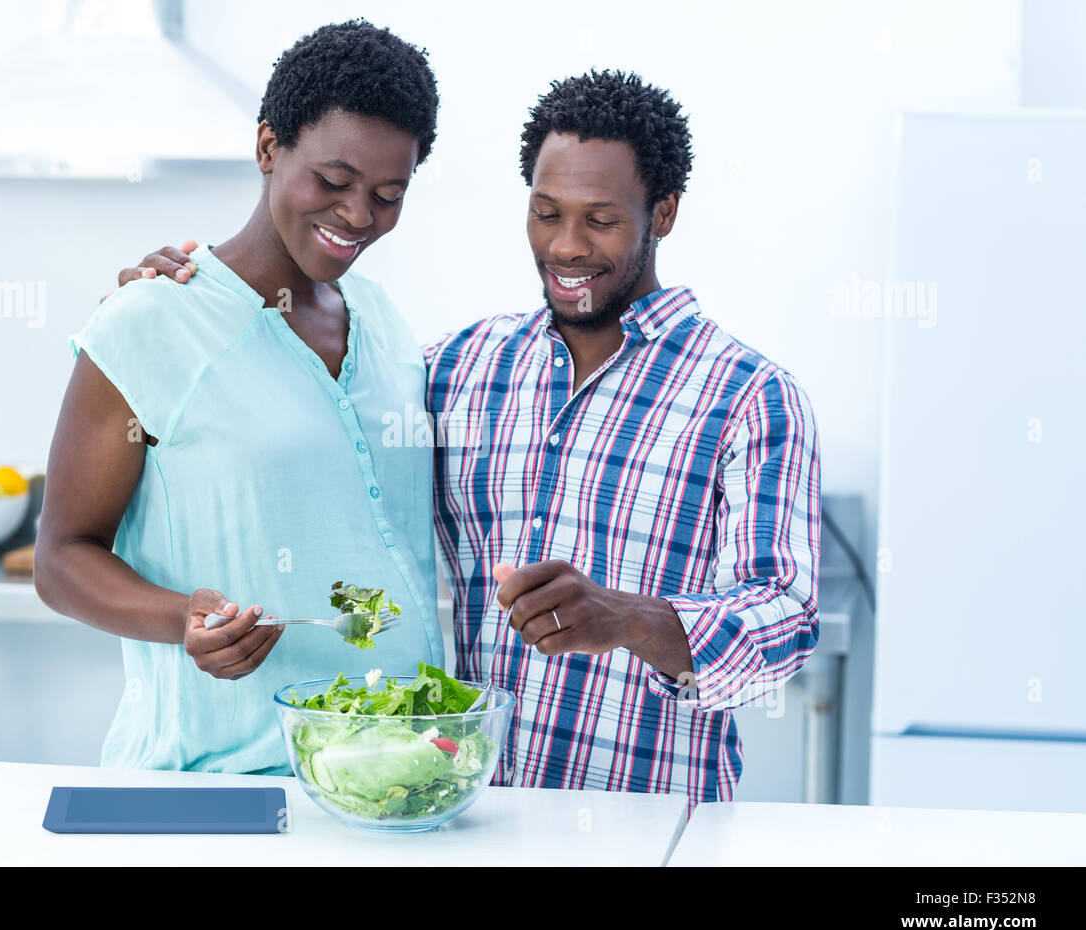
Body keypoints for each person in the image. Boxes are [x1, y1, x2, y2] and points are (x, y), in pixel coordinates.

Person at [111, 70, 821, 806]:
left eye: (600, 220)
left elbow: (786, 619)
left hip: (653, 820)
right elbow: (306, 409)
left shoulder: (751, 398)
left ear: (663, 213)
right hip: (468, 815)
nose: (566, 246)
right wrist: (177, 305)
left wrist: (630, 618)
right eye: (546, 214)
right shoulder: (458, 370)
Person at [33, 20, 444, 776]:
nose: (357, 216)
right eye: (332, 180)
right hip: (215, 788)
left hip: (387, 783)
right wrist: (182, 617)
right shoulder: (151, 320)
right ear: (267, 148)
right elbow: (60, 558)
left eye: (389, 194)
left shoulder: (384, 324)